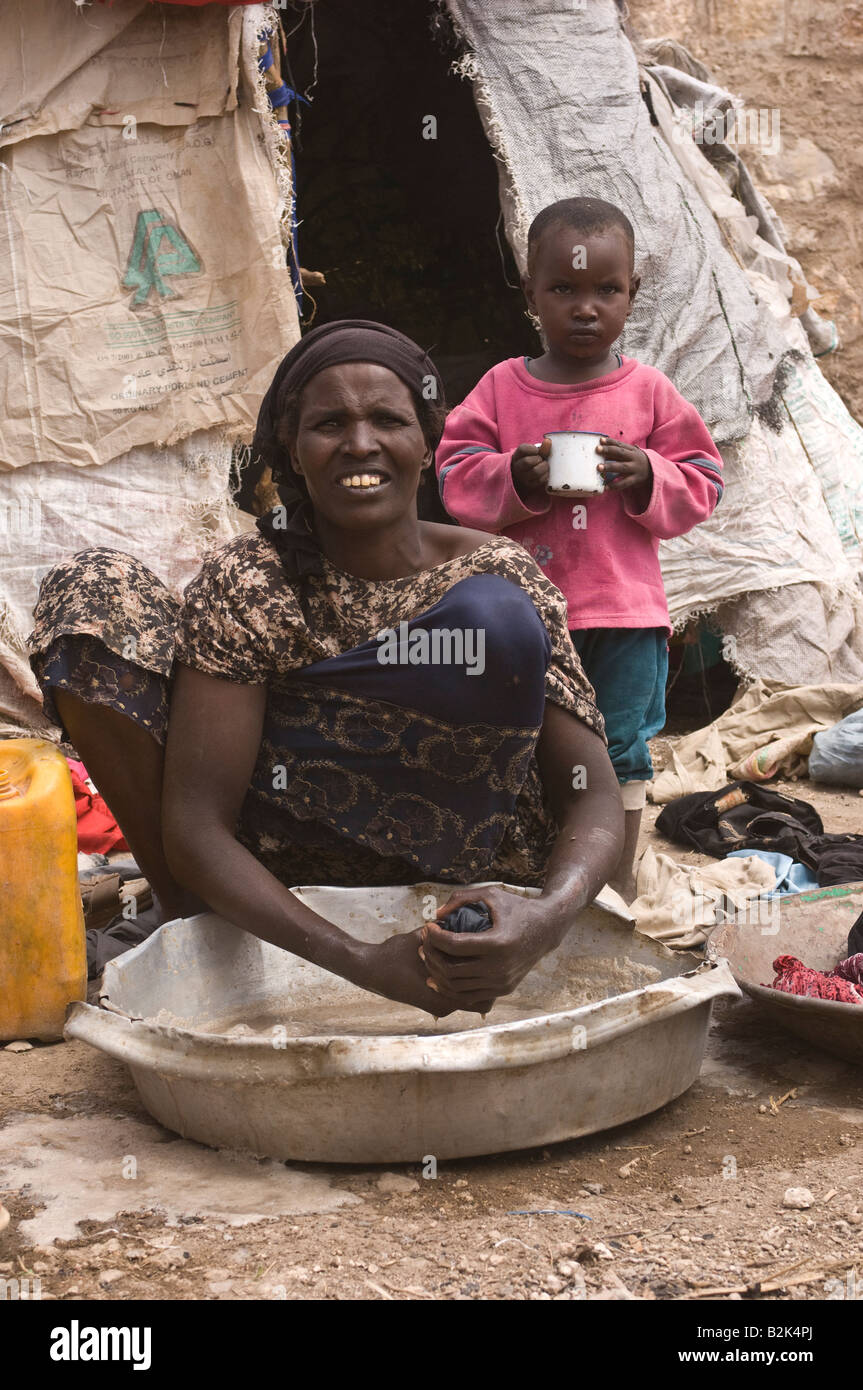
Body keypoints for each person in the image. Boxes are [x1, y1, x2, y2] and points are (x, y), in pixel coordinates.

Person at [28, 320, 624, 1016]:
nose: (360, 444)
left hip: (469, 879)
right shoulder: (254, 579)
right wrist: (360, 961)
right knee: (95, 587)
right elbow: (197, 825)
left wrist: (549, 916)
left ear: (427, 441)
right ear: (293, 450)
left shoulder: (497, 569)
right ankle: (194, 916)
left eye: (386, 419)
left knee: (489, 617)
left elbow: (590, 789)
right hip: (285, 867)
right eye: (329, 423)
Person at [435, 197, 724, 900]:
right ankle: (536, 880)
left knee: (619, 752)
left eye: (606, 289)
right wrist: (515, 476)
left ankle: (611, 894)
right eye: (563, 289)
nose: (586, 308)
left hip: (624, 618)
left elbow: (704, 481)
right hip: (523, 621)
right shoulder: (502, 388)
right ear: (530, 291)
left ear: (632, 293)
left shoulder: (650, 393)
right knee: (524, 742)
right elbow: (451, 475)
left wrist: (647, 473)